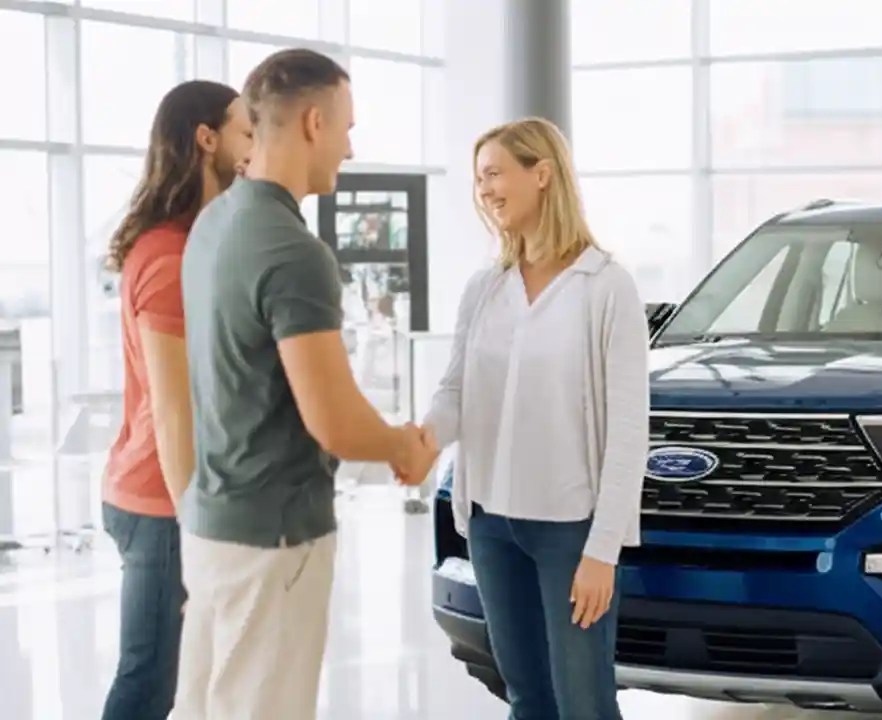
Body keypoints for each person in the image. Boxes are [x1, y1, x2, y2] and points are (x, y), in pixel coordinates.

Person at [171, 48, 437, 720]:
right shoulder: (294, 251)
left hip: (212, 527)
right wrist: (402, 445)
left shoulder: (214, 224)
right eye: (347, 126)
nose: (350, 144)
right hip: (274, 540)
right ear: (314, 122)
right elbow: (335, 422)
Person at [423, 117, 650, 719]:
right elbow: (456, 392)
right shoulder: (484, 287)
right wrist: (419, 439)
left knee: (584, 702)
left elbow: (630, 430)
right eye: (479, 180)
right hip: (493, 525)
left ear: (542, 174)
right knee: (525, 697)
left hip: (570, 532)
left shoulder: (606, 287)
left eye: (495, 174)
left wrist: (604, 550)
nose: (485, 190)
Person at [99, 79, 253, 720]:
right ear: (205, 138)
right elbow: (172, 407)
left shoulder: (198, 244)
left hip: (175, 496)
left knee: (189, 684)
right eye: (245, 132)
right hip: (164, 505)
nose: (252, 149)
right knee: (147, 685)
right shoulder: (168, 255)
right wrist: (200, 532)